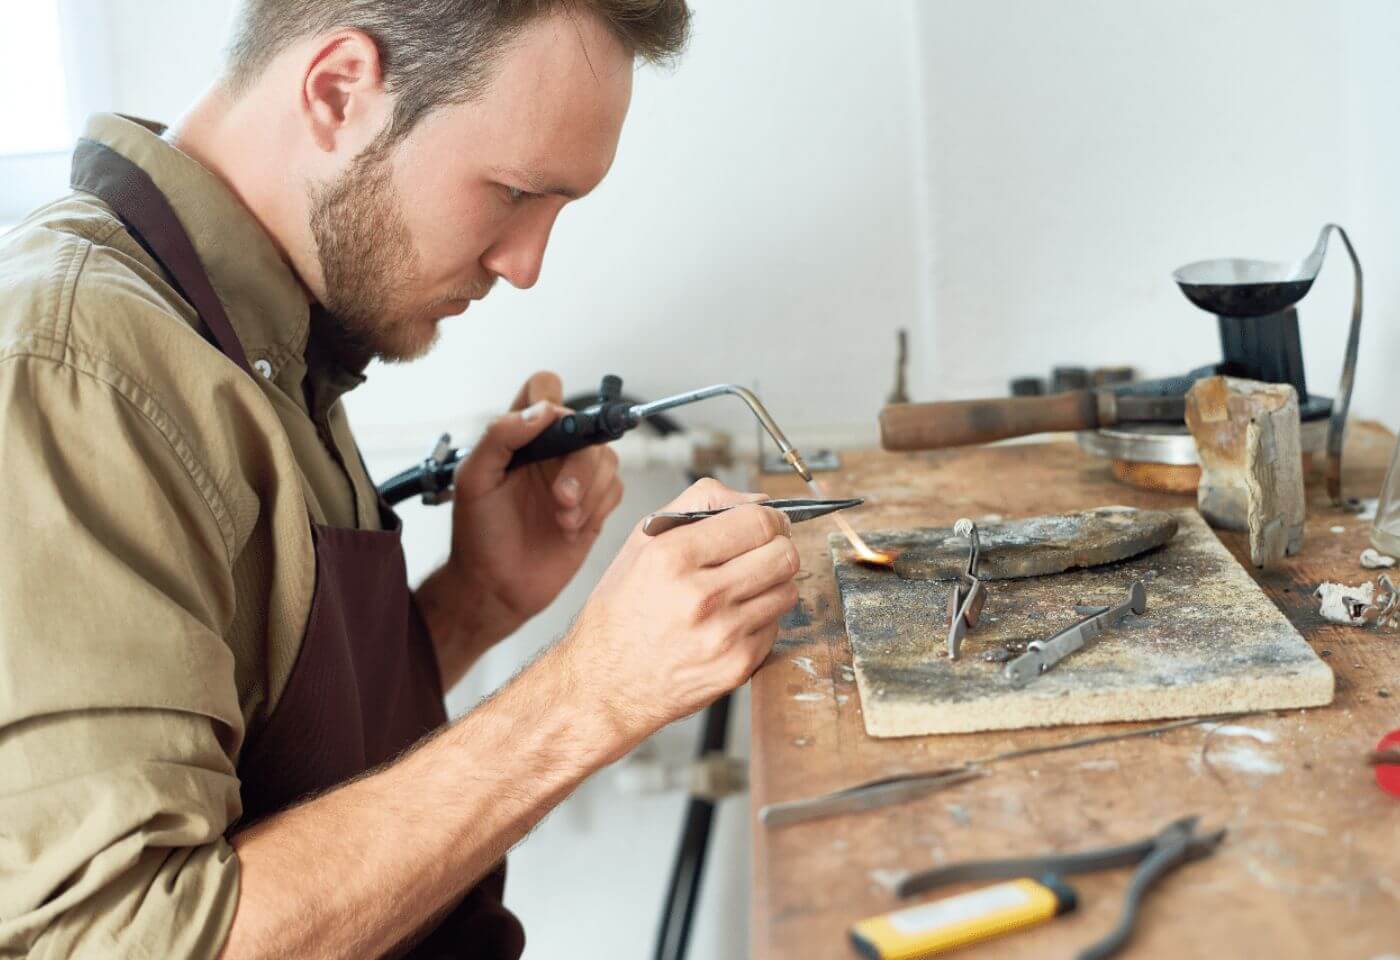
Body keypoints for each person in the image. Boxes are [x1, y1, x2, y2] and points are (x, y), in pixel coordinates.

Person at [0, 2, 801, 957]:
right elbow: (128, 936)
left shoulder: (265, 335)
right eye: (513, 192)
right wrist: (588, 698)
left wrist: (474, 603)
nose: (526, 264)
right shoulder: (79, 370)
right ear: (339, 91)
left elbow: (275, 757)